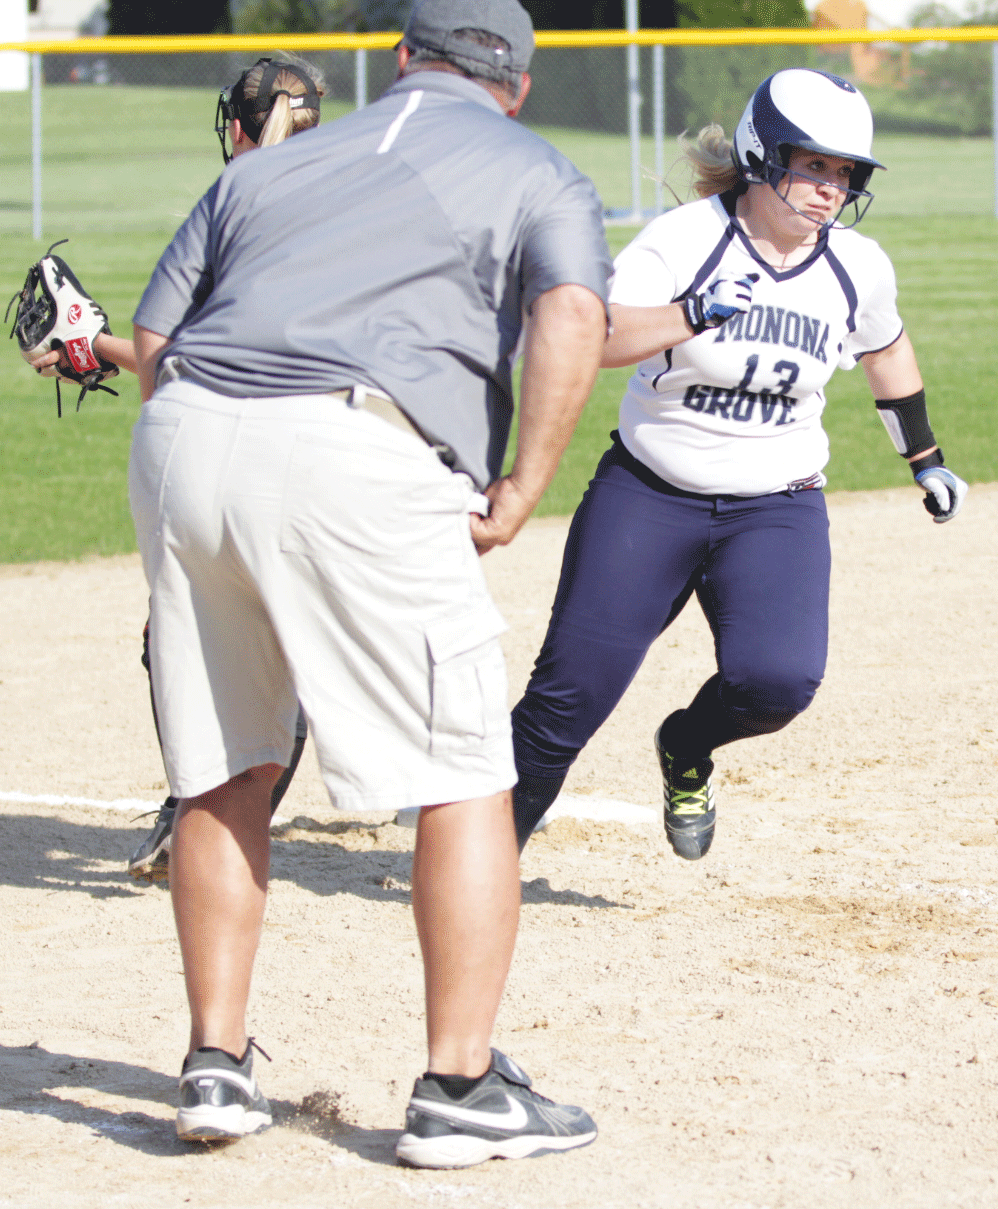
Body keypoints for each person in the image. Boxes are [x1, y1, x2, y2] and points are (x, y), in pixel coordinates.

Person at [128, 0, 611, 1168]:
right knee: (460, 771)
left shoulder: (270, 167)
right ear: (517, 85)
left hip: (187, 438)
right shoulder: (539, 168)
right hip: (356, 449)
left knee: (226, 763)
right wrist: (521, 484)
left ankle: (216, 1066)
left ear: (400, 61)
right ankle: (460, 1084)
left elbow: (152, 346)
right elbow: (572, 313)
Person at [510, 68, 968, 861]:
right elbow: (594, 337)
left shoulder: (858, 266)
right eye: (813, 165)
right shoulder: (685, 240)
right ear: (763, 154)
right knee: (567, 697)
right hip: (651, 494)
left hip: (774, 506)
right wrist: (689, 311)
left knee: (777, 682)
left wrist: (925, 457)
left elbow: (885, 349)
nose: (831, 189)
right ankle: (481, 854)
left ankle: (687, 745)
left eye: (844, 173)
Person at [24, 55, 325, 882]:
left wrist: (87, 344)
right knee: (290, 629)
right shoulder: (341, 201)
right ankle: (227, 802)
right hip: (333, 453)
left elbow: (174, 363)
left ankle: (201, 806)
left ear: (239, 127)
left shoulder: (229, 206)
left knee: (187, 630)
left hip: (237, 455)